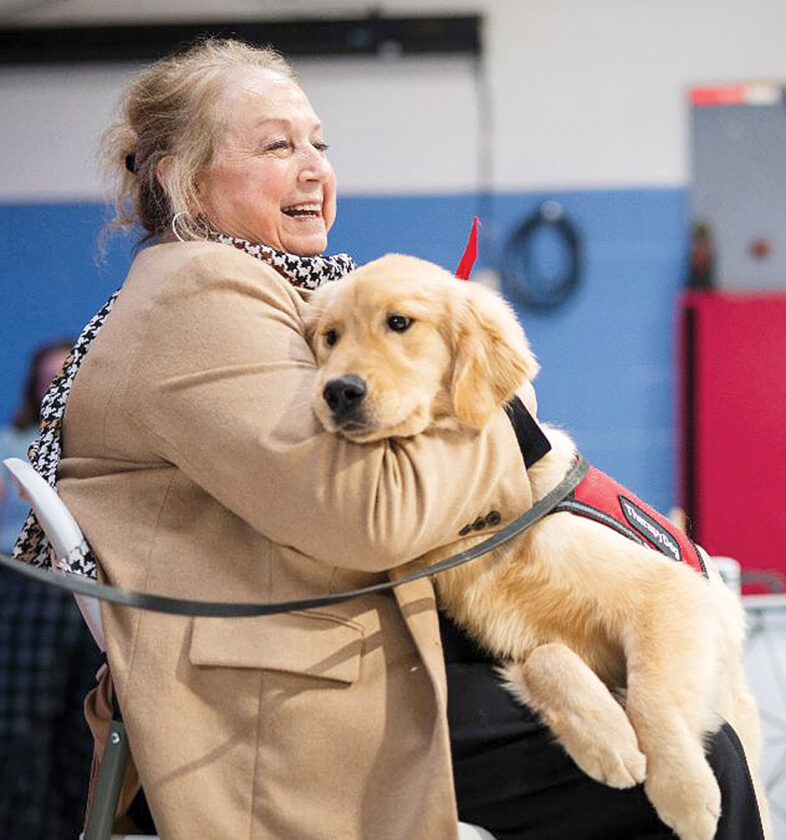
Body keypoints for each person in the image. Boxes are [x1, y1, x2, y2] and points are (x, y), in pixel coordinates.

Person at [18, 39, 765, 840]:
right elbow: (368, 515)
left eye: (318, 143)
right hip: (289, 708)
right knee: (700, 761)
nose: (313, 168)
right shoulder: (200, 293)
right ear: (181, 178)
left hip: (322, 659)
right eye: (277, 145)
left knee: (658, 715)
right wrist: (486, 398)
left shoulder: (243, 287)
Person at [0, 340, 103, 839]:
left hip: (89, 593)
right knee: (23, 720)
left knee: (82, 729)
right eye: (47, 381)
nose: (55, 389)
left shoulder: (99, 444)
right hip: (24, 589)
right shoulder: (10, 443)